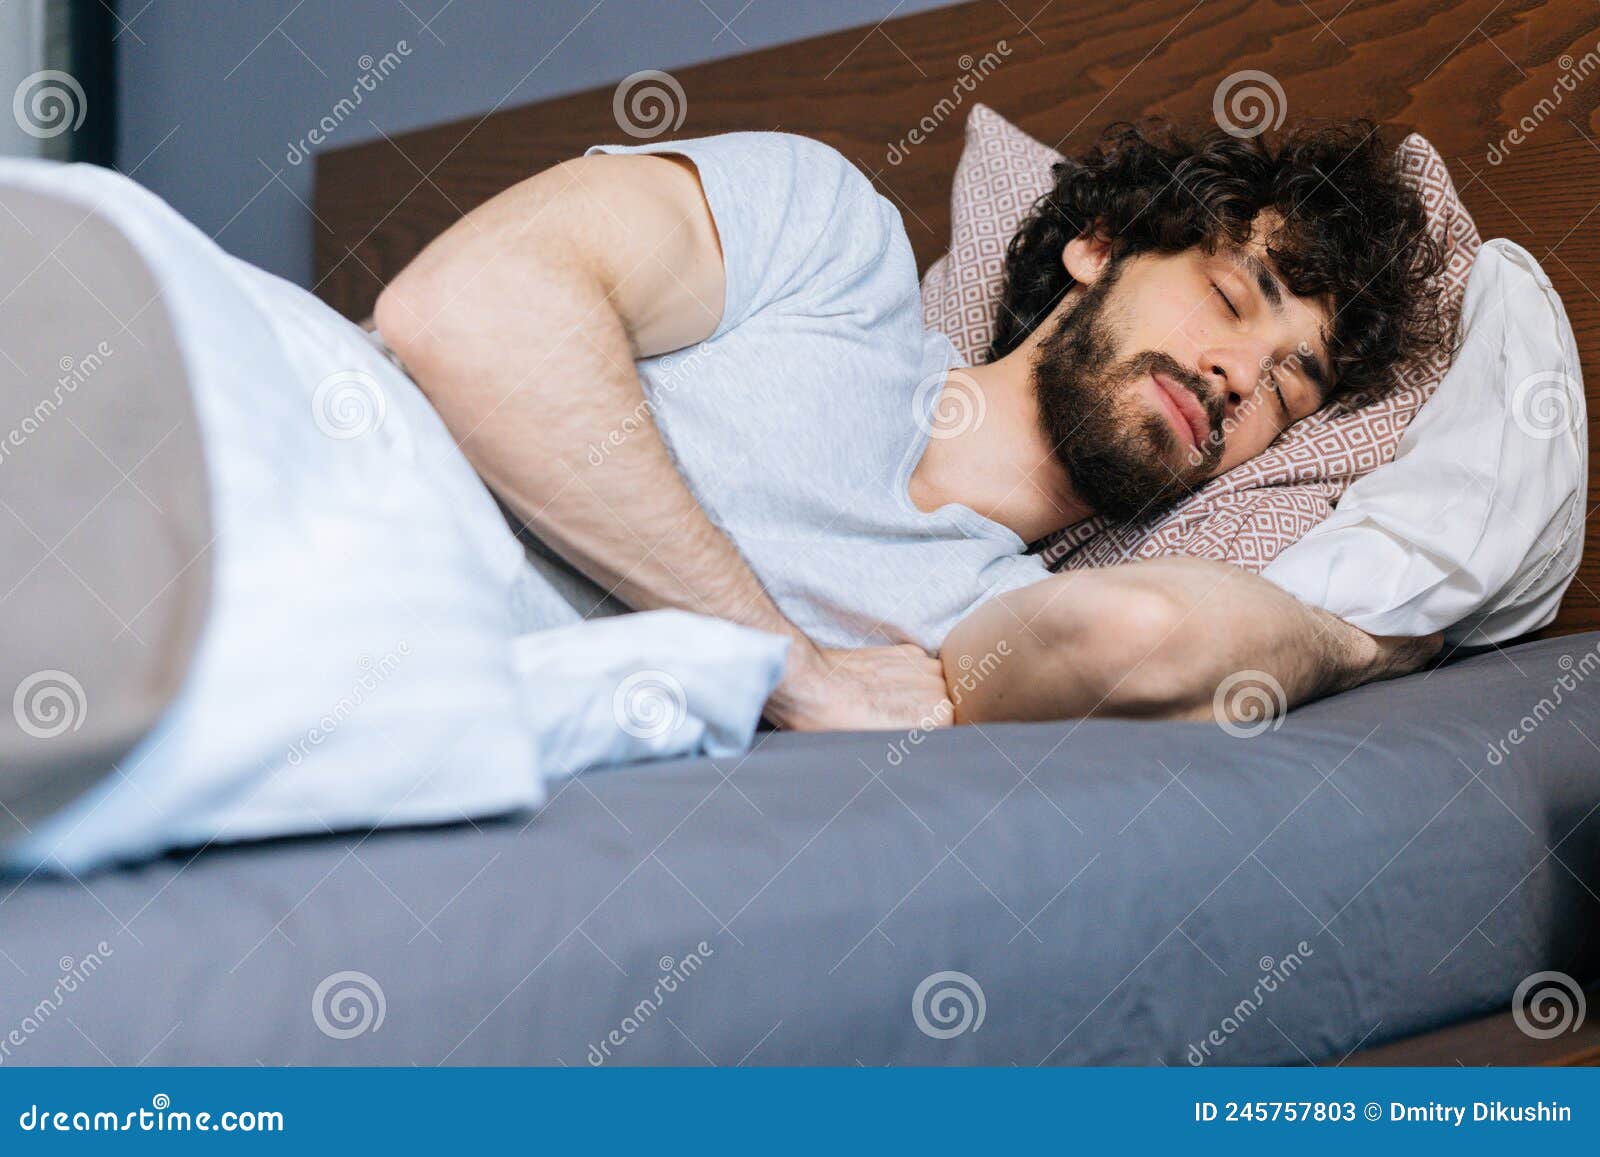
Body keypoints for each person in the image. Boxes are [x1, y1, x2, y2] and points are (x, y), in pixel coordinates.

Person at [373, 118, 1453, 732]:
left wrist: (1365, 644)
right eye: (1229, 297)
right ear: (1100, 245)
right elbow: (465, 309)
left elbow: (1151, 633)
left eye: (1287, 389)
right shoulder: (831, 249)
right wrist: (794, 669)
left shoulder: (986, 624)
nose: (1237, 375)